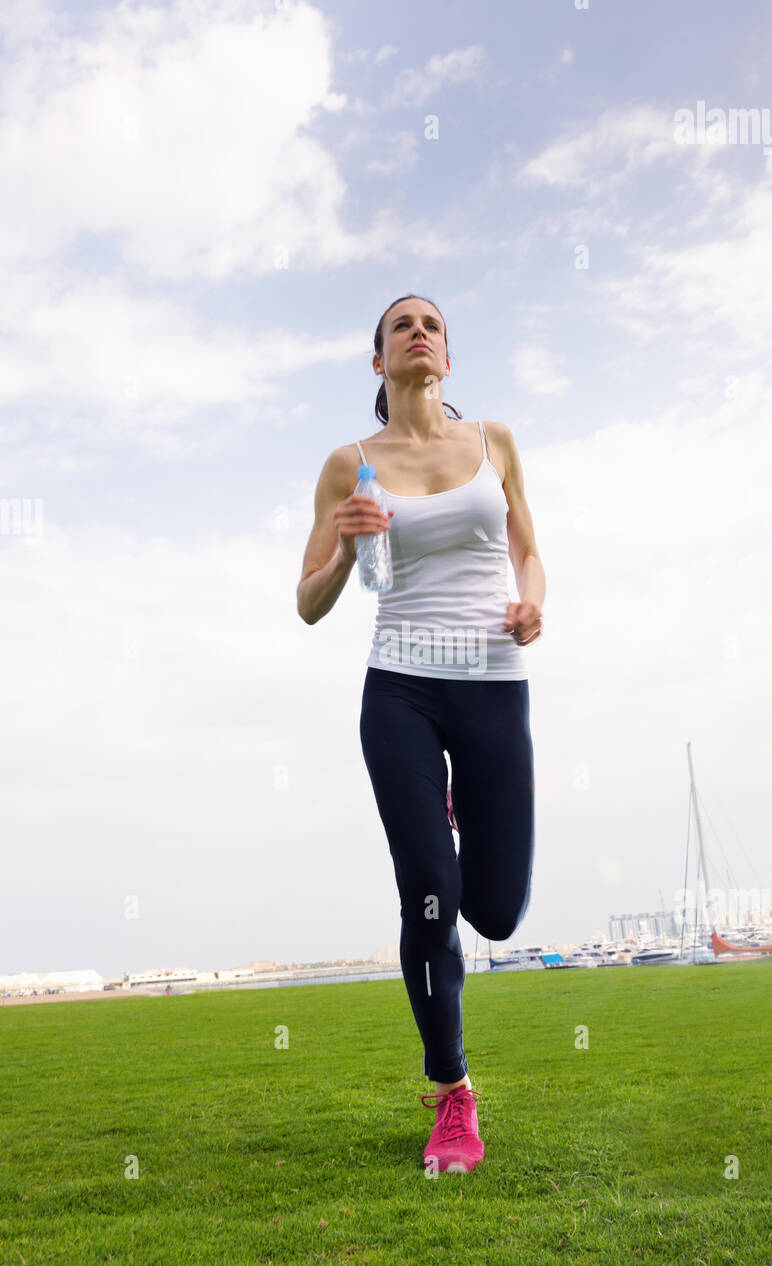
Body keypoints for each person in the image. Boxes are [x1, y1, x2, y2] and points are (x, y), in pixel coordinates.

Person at [297, 295, 545, 1174]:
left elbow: (528, 550)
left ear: (448, 354)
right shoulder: (349, 465)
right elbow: (311, 602)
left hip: (491, 686)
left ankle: (458, 798)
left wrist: (533, 605)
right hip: (399, 689)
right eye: (400, 325)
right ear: (379, 361)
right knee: (432, 895)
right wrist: (340, 544)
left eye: (431, 323)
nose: (418, 332)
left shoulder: (494, 443)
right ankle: (453, 1095)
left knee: (498, 911)